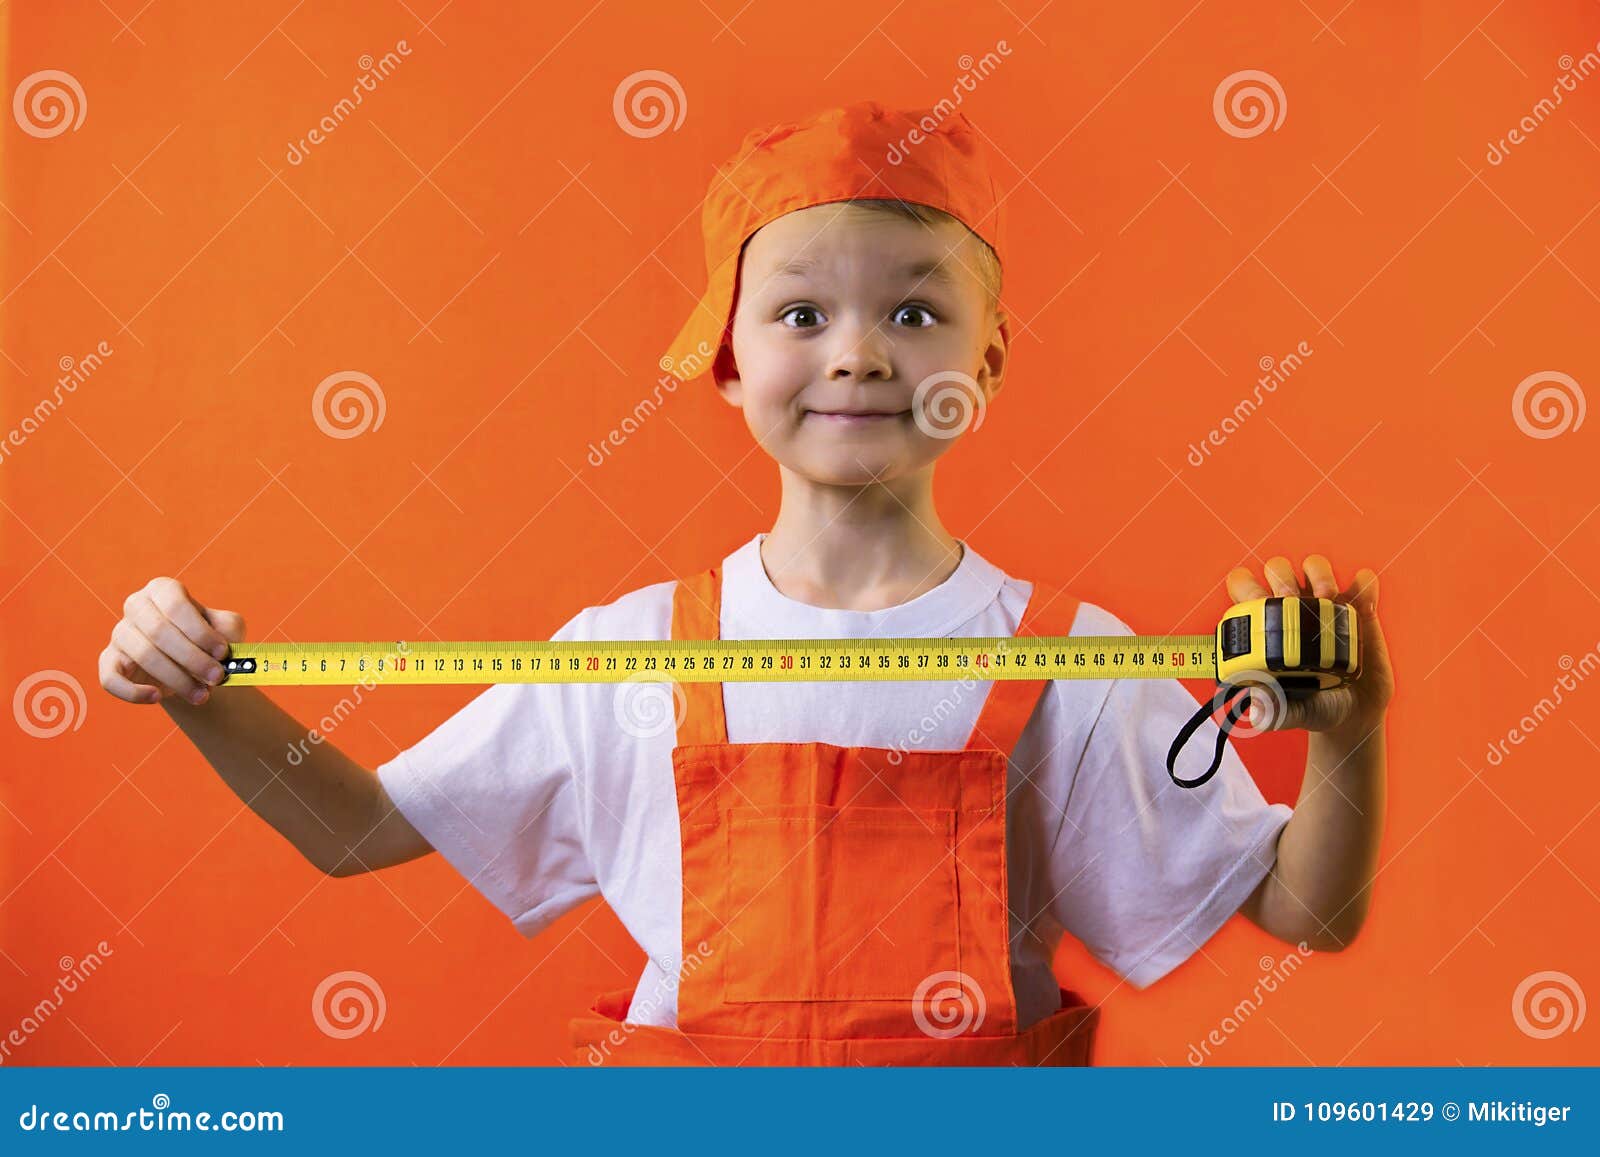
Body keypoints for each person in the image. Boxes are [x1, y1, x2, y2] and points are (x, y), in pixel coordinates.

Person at [98, 100, 1394, 1066]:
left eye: (915, 311)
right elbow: (353, 828)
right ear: (723, 356)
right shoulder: (630, 652)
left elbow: (1305, 911)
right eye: (798, 313)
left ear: (987, 361)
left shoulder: (1071, 657)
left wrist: (1348, 735)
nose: (859, 354)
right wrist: (208, 693)